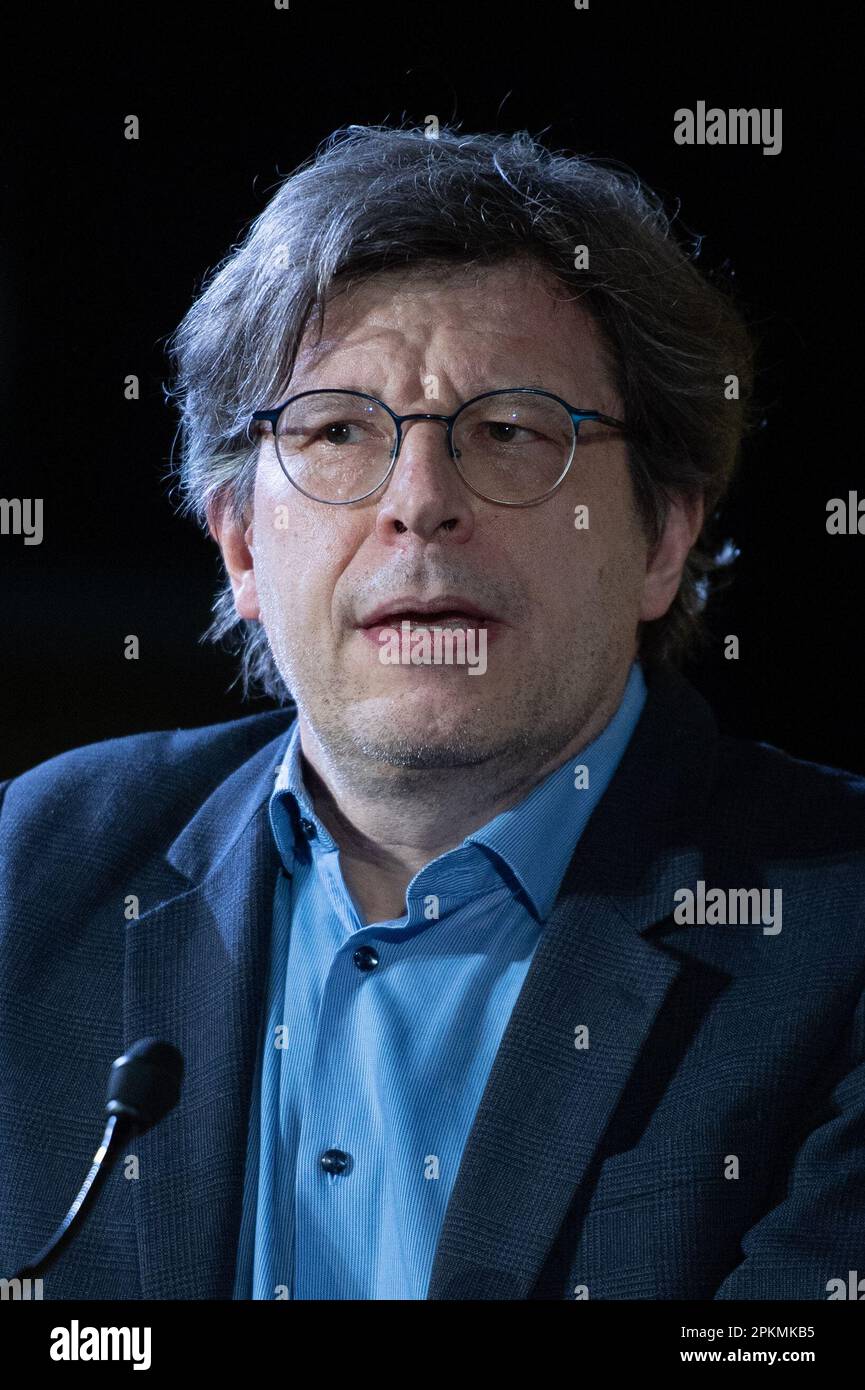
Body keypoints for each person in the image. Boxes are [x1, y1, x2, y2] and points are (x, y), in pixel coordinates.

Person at [1, 125, 863, 1302]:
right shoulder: (36, 869)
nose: (419, 503)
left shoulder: (838, 933)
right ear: (242, 543)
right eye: (338, 432)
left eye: (510, 434)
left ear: (662, 536)